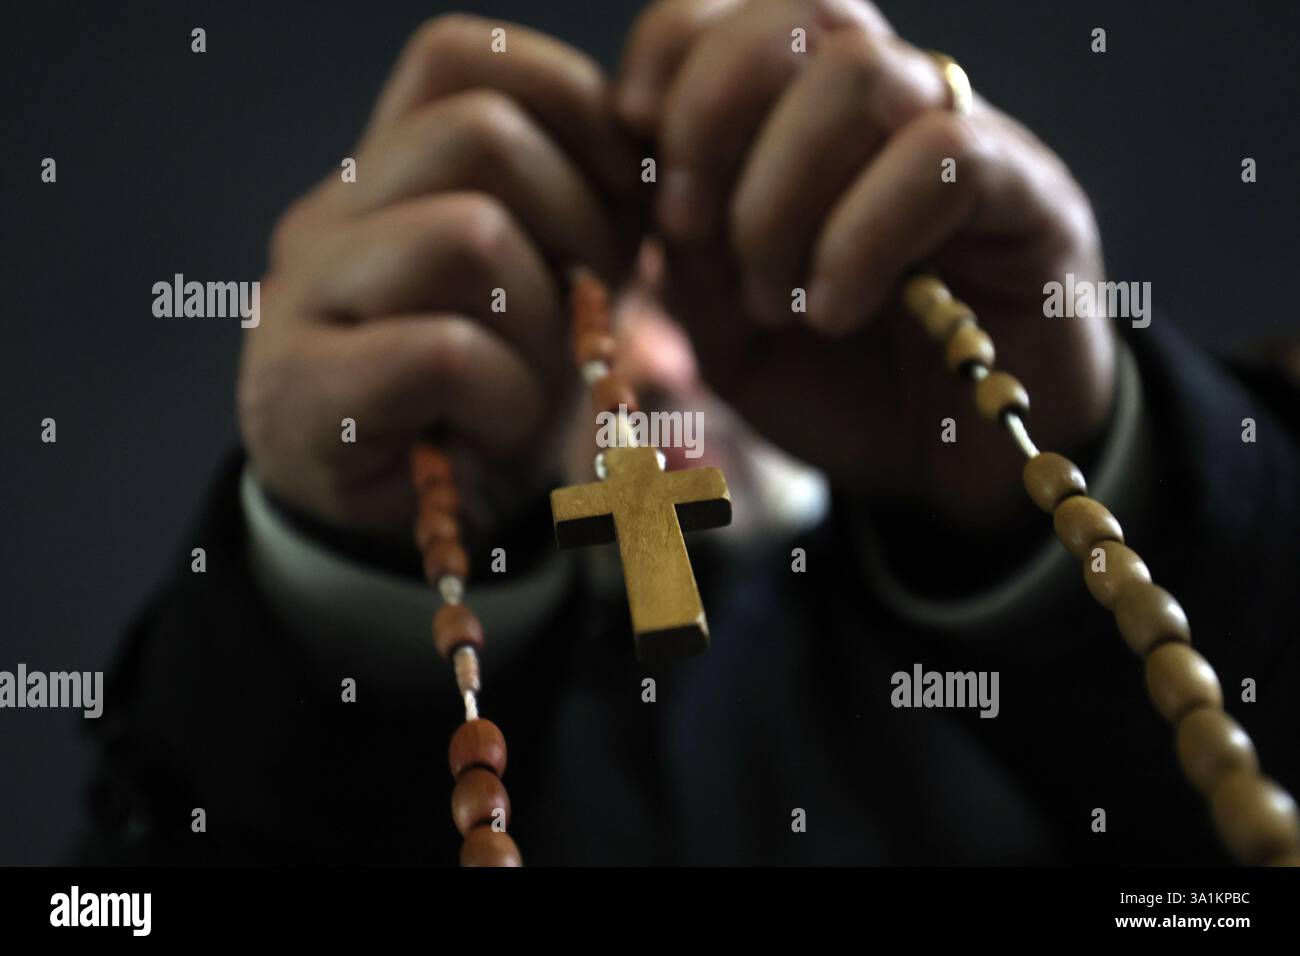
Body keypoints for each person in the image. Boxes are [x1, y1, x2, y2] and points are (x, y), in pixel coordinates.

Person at [74, 1, 1300, 865]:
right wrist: (335, 592)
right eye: (604, 320)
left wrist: (1096, 467)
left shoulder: (1016, 669)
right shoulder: (362, 704)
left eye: (690, 302)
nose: (653, 367)